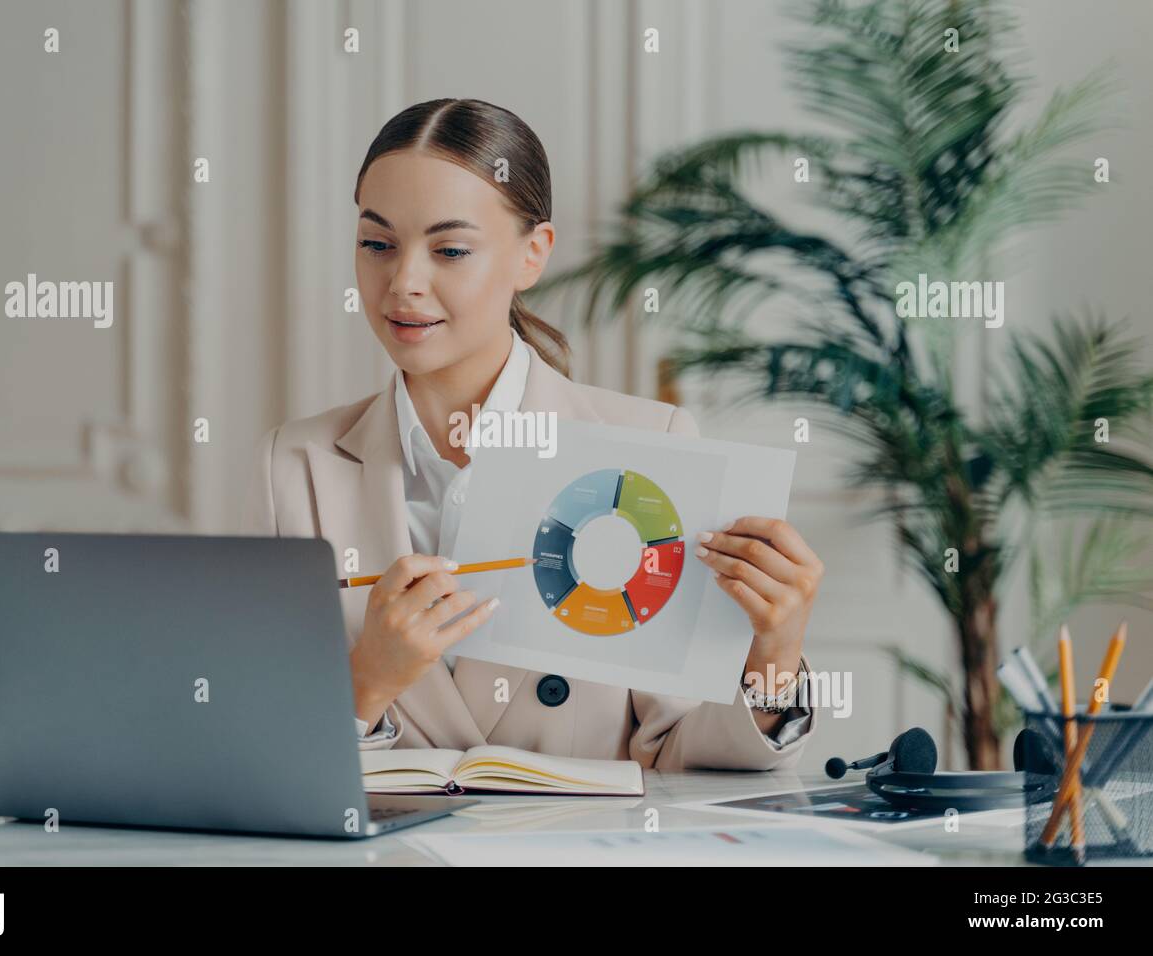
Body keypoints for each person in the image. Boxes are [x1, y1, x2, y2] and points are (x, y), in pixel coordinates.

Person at [242, 98, 824, 770]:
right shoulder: (293, 468)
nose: (403, 282)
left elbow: (681, 759)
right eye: (377, 244)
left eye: (450, 249)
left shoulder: (650, 443)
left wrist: (774, 655)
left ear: (533, 255)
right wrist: (369, 680)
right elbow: (258, 763)